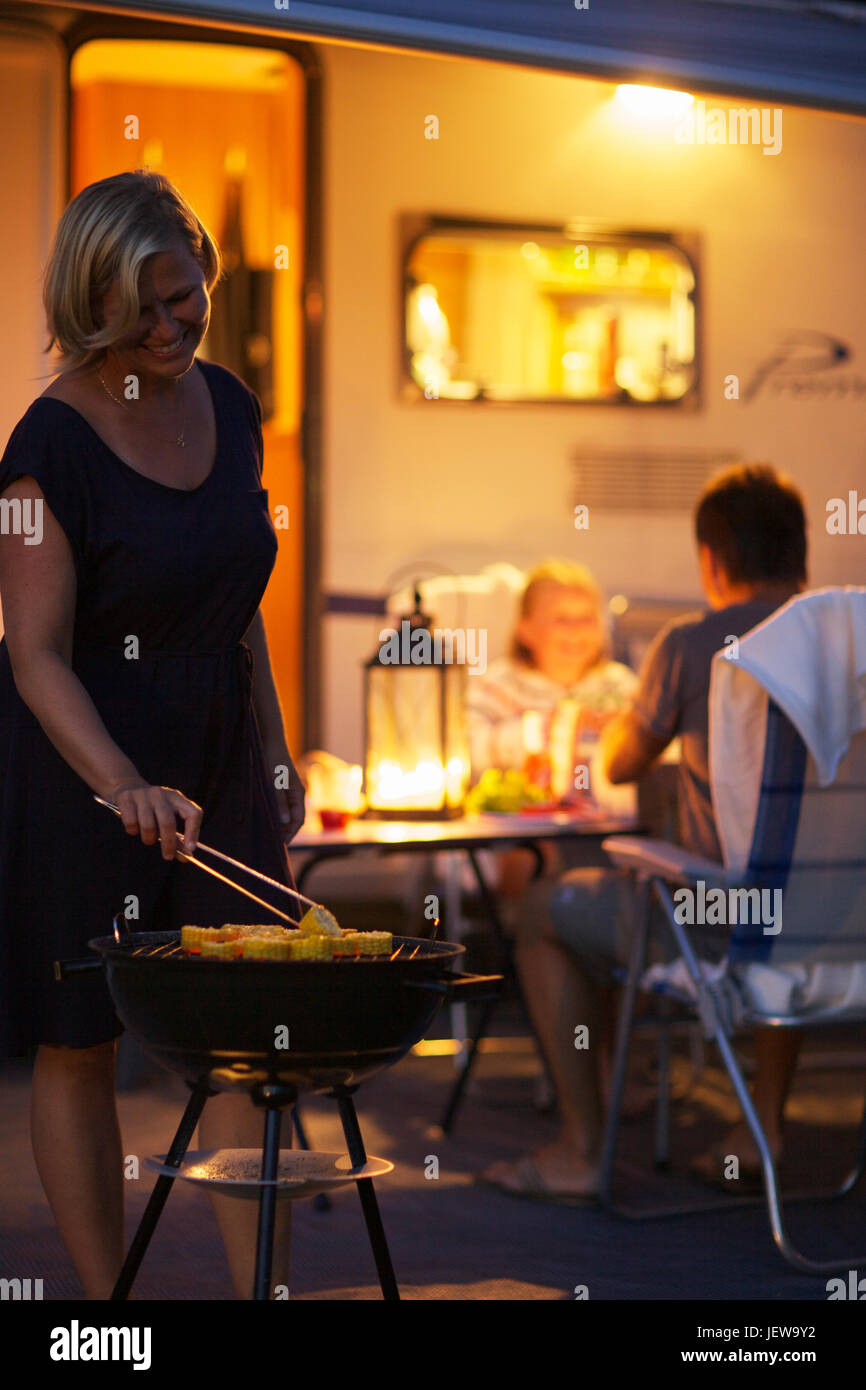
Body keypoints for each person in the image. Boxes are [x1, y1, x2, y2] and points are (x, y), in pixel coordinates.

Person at [0, 170, 305, 1298]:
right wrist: (124, 783)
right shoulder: (46, 447)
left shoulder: (230, 404)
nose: (182, 325)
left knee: (254, 1027)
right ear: (97, 301)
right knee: (82, 1036)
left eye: (196, 298)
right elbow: (33, 654)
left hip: (218, 745)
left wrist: (272, 746)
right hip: (86, 760)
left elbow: (238, 602)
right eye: (156, 307)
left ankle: (259, 1294)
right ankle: (106, 1305)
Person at [481, 464, 807, 1200]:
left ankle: (580, 1150)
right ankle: (769, 1127)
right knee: (795, 892)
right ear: (800, 551)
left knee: (544, 912)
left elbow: (624, 764)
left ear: (712, 561)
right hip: (837, 925)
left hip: (719, 923)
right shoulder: (851, 640)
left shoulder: (692, 645)